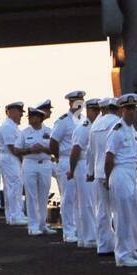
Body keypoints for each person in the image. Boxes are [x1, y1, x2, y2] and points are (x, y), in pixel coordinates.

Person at [104, 93, 137, 267]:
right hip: (120, 173)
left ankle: (132, 250)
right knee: (122, 215)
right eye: (128, 108)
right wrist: (107, 180)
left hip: (131, 174)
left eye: (134, 108)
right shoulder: (117, 130)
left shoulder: (131, 129)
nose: (132, 112)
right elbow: (109, 158)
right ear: (121, 110)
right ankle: (122, 255)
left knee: (134, 213)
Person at [52, 91, 84, 243]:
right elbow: (53, 141)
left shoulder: (83, 120)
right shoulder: (63, 121)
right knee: (68, 197)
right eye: (76, 101)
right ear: (70, 103)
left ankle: (79, 228)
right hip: (66, 160)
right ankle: (68, 231)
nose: (79, 104)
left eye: (81, 101)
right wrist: (58, 157)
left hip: (81, 161)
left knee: (80, 198)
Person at [90, 98, 120, 256]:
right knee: (119, 211)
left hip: (98, 172)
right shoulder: (118, 123)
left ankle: (103, 245)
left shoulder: (95, 125)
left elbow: (90, 151)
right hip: (114, 171)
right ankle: (120, 246)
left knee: (102, 211)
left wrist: (90, 172)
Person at [70, 98, 100, 250]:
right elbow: (75, 151)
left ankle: (83, 236)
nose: (96, 113)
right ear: (88, 111)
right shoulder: (84, 127)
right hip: (83, 165)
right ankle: (89, 237)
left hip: (90, 165)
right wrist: (72, 170)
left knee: (88, 202)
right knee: (87, 203)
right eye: (94, 110)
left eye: (98, 110)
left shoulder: (96, 126)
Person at [20, 105, 54, 235]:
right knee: (31, 195)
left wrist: (43, 149)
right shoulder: (24, 133)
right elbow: (17, 149)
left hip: (45, 164)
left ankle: (43, 224)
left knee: (43, 195)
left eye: (33, 117)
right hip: (30, 163)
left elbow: (55, 150)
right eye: (29, 117)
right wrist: (30, 150)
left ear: (40, 118)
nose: (29, 119)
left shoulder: (49, 132)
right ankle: (33, 226)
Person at [0, 102, 27, 226]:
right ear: (11, 112)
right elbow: (12, 147)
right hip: (10, 158)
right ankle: (15, 215)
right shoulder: (8, 127)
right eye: (19, 111)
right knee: (14, 186)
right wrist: (23, 159)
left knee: (14, 186)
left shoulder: (13, 126)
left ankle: (15, 214)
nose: (21, 114)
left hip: (11, 158)